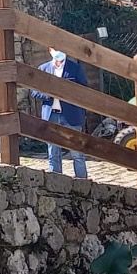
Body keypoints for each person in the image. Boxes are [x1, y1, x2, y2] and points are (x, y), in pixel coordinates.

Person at [31, 48, 90, 179]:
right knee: (53, 153)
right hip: (51, 115)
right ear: (50, 50)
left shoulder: (75, 68)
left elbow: (84, 90)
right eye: (55, 49)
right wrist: (48, 94)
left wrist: (67, 93)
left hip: (71, 115)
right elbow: (34, 91)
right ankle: (56, 183)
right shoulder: (43, 68)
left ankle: (83, 183)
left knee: (77, 153)